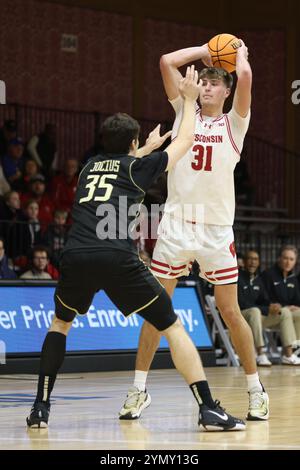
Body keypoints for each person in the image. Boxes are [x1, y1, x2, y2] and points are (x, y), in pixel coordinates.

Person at [26, 67, 245, 432]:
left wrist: (145, 148)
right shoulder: (137, 169)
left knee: (60, 323)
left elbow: (123, 163)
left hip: (76, 254)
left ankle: (39, 409)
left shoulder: (88, 169)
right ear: (132, 144)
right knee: (172, 326)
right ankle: (208, 408)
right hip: (116, 257)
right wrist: (188, 100)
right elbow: (186, 139)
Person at [120, 41, 269, 421]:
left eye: (214, 82)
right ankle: (138, 390)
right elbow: (166, 60)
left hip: (217, 231)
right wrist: (204, 49)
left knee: (230, 311)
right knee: (156, 310)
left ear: (227, 90)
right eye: (203, 81)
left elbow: (246, 75)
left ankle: (256, 390)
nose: (205, 86)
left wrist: (237, 55)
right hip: (175, 226)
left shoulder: (236, 122)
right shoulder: (184, 111)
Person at [239, 250, 300, 366]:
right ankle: (260, 353)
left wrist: (273, 306)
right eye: (250, 259)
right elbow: (242, 303)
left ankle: (289, 354)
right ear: (244, 262)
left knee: (285, 312)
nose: (252, 262)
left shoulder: (258, 279)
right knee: (255, 311)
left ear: (259, 263)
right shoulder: (238, 278)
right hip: (241, 318)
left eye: (256, 259)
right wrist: (267, 309)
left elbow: (265, 300)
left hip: (258, 317)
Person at [262, 245, 300, 365]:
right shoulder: (268, 274)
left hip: (285, 315)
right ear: (279, 259)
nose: (288, 262)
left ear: (295, 262)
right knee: (286, 312)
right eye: (285, 258)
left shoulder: (293, 279)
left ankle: (295, 351)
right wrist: (285, 307)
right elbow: (263, 298)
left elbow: (296, 300)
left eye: (291, 259)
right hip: (269, 315)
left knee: (299, 313)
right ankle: (288, 354)